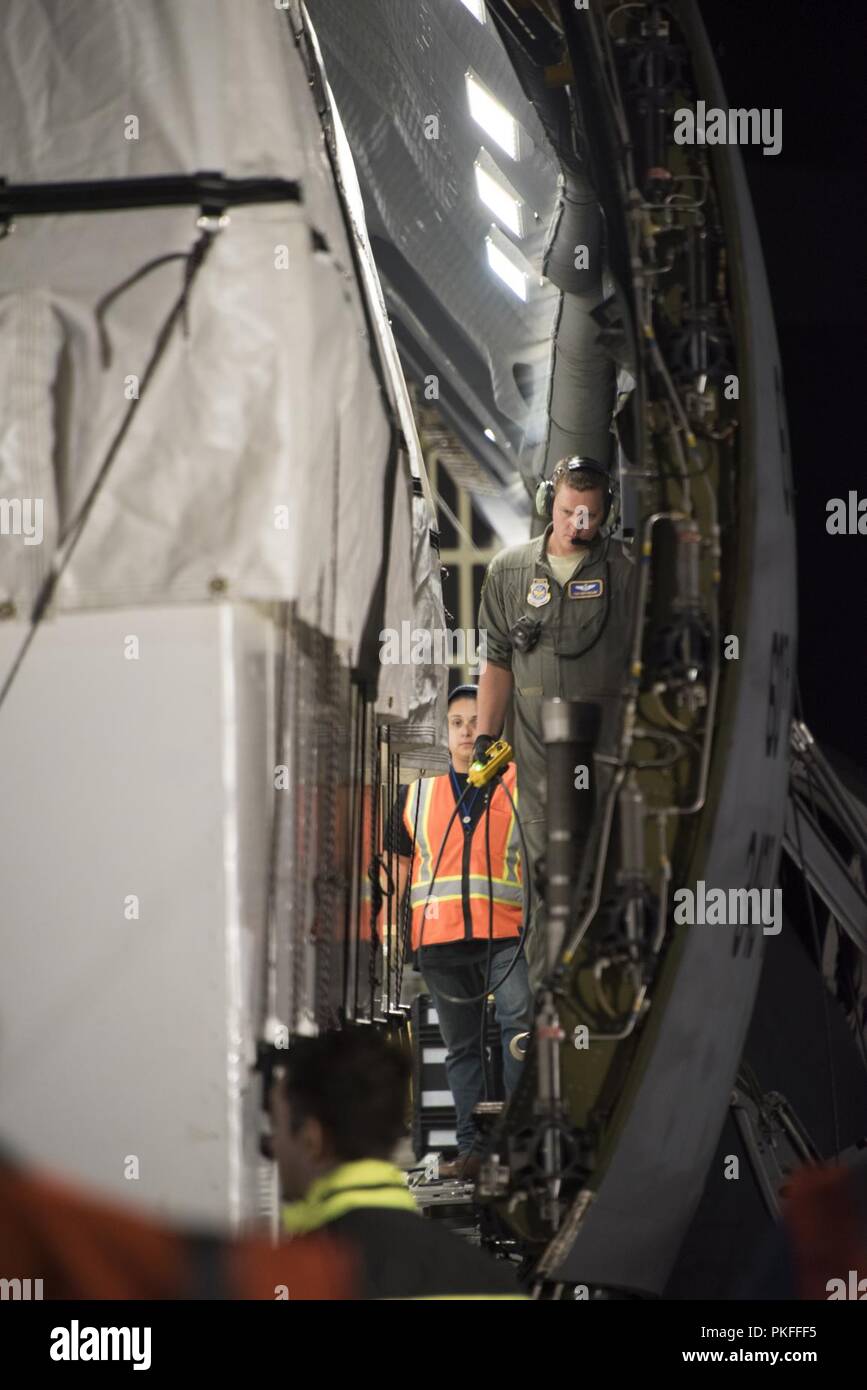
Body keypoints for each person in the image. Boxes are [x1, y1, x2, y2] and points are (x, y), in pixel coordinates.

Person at [475, 456, 636, 989]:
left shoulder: (630, 572)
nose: (578, 525)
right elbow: (496, 662)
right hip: (542, 775)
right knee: (547, 889)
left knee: (616, 882)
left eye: (589, 515)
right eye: (569, 512)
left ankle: (612, 1004)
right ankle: (551, 1017)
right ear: (550, 504)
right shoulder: (509, 572)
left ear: (607, 512)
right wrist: (483, 738)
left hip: (614, 768)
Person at [387, 683, 532, 1179]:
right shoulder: (419, 792)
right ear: (445, 734)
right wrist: (397, 934)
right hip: (441, 941)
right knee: (463, 1048)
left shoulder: (519, 784)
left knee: (520, 1023)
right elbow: (398, 863)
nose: (468, 730)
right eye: (457, 723)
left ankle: (514, 1141)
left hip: (503, 936)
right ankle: (471, 1153)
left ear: (493, 728)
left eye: (476, 720)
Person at [271, 1026, 525, 1299]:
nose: (270, 1145)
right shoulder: (493, 1284)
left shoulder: (270, 1279)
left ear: (312, 1139)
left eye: (275, 1126)